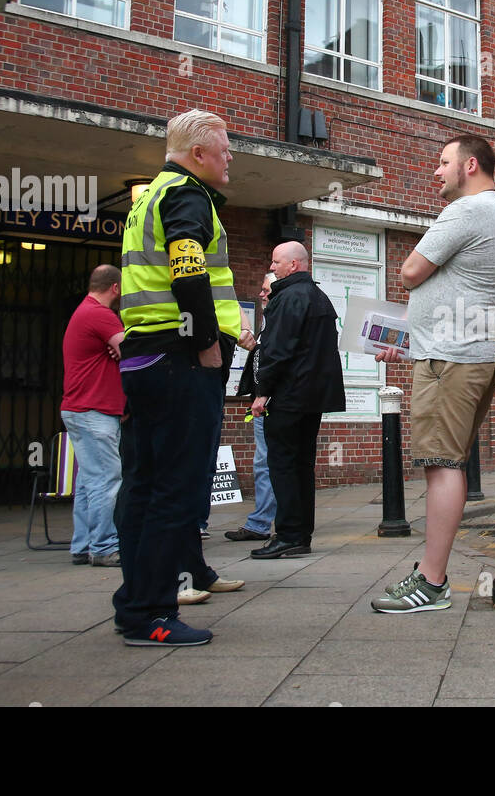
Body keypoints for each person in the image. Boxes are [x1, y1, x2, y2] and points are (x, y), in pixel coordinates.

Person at [112, 109, 244, 647]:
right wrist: (206, 343)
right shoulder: (188, 196)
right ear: (198, 155)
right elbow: (187, 266)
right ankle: (153, 614)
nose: (230, 156)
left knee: (142, 485)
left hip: (144, 357)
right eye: (225, 148)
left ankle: (135, 606)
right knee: (178, 491)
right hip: (179, 360)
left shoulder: (148, 197)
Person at [372, 135, 495, 613]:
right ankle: (430, 576)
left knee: (442, 465)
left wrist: (424, 320)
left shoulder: (467, 210)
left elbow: (410, 271)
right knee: (447, 462)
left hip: (451, 360)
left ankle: (432, 582)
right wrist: (412, 339)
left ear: (470, 165)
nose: (436, 171)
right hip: (459, 352)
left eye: (443, 162)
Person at [248, 241, 344, 559]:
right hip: (313, 398)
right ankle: (301, 535)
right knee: (303, 466)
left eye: (276, 262)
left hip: (289, 396)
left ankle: (288, 535)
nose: (272, 267)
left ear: (294, 265)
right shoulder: (318, 297)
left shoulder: (287, 297)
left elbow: (276, 350)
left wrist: (262, 391)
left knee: (283, 465)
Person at [60, 264, 125, 567]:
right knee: (106, 480)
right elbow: (130, 351)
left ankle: (82, 544)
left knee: (88, 480)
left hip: (78, 408)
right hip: (94, 410)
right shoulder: (101, 315)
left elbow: (116, 350)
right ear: (115, 288)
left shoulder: (82, 312)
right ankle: (104, 546)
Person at [226, 272, 278, 542]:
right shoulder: (270, 321)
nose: (260, 294)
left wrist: (263, 396)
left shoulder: (278, 321)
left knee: (265, 462)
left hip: (268, 403)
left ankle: (261, 523)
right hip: (263, 401)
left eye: (265, 289)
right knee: (269, 462)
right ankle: (274, 520)